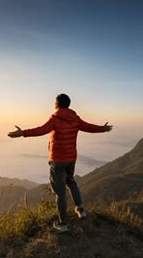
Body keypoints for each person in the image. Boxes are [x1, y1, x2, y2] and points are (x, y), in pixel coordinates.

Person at [8, 93, 113, 232]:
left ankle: (62, 224)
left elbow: (41, 130)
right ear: (68, 104)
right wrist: (102, 129)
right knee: (71, 181)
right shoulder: (75, 119)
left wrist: (23, 133)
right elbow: (89, 127)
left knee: (60, 193)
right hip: (71, 159)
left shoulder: (55, 118)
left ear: (57, 104)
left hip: (57, 160)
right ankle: (81, 210)